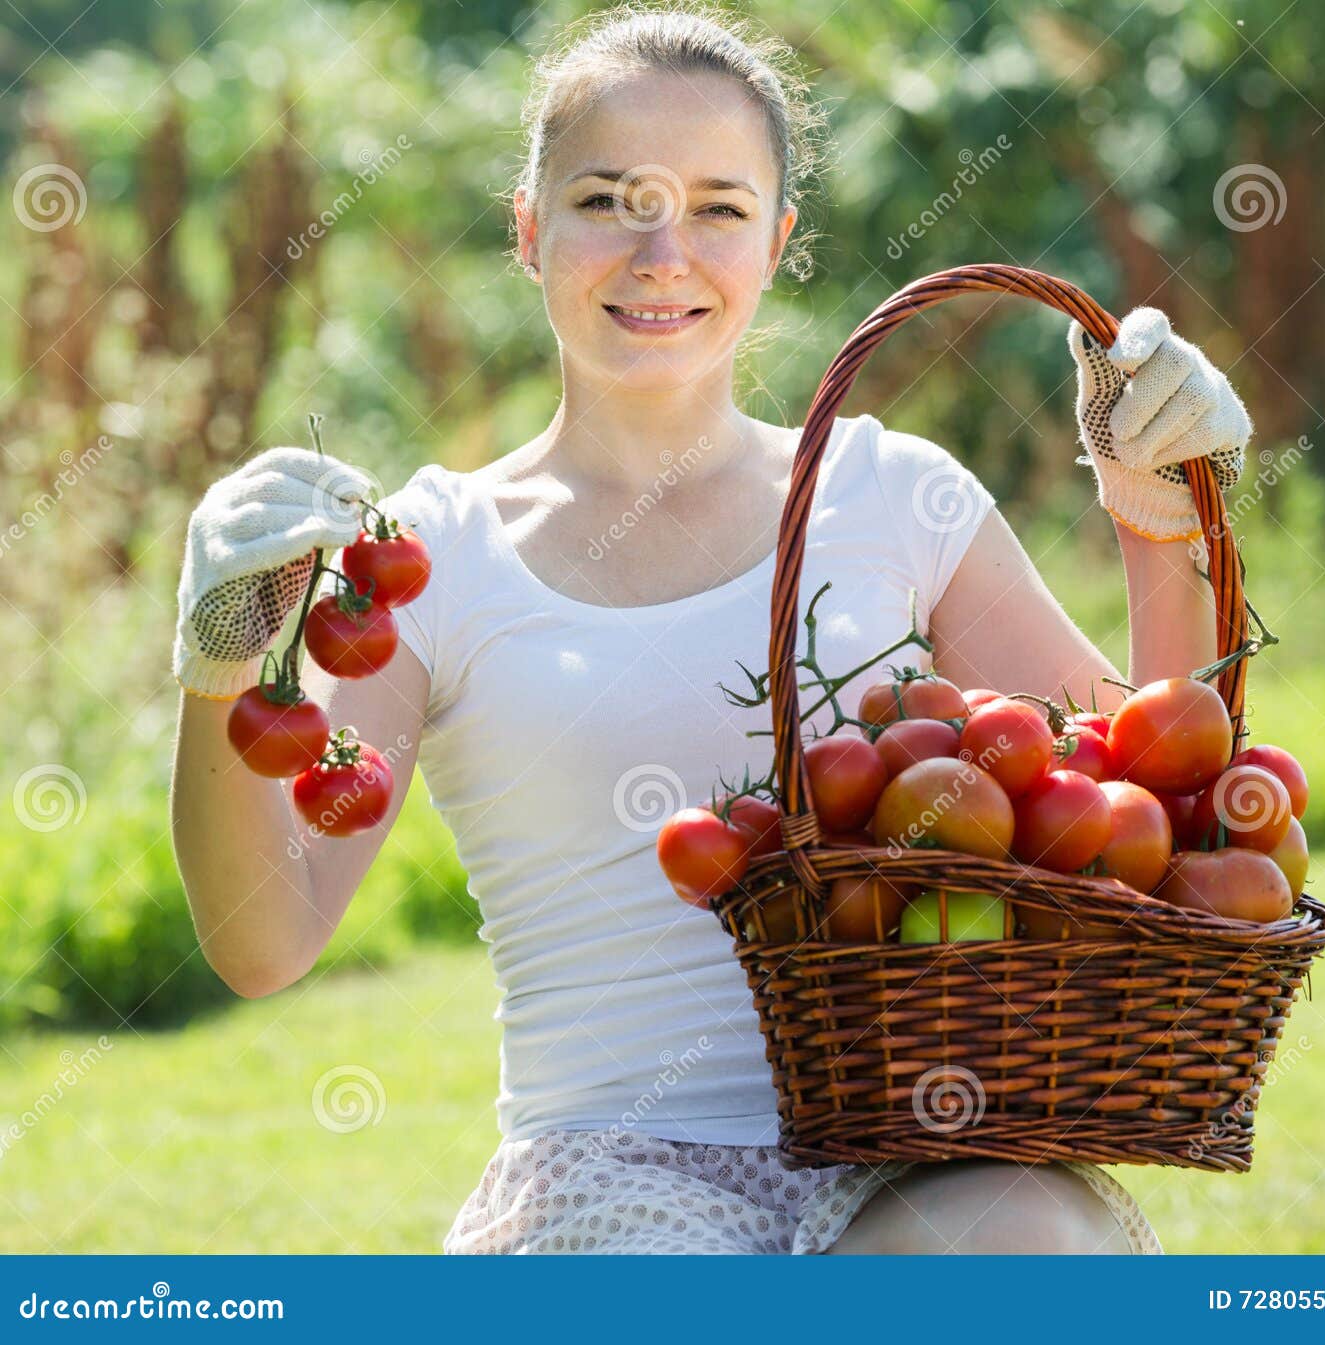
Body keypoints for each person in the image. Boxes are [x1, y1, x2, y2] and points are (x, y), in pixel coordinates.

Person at [170, 3, 1249, 1255]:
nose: (661, 249)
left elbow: (1156, 827)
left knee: (1035, 1248)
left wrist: (1154, 511)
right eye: (608, 199)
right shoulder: (431, 553)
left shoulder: (890, 493)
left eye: (719, 207)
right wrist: (219, 665)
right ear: (528, 229)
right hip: (602, 1177)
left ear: (779, 240)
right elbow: (263, 941)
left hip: (901, 1148)